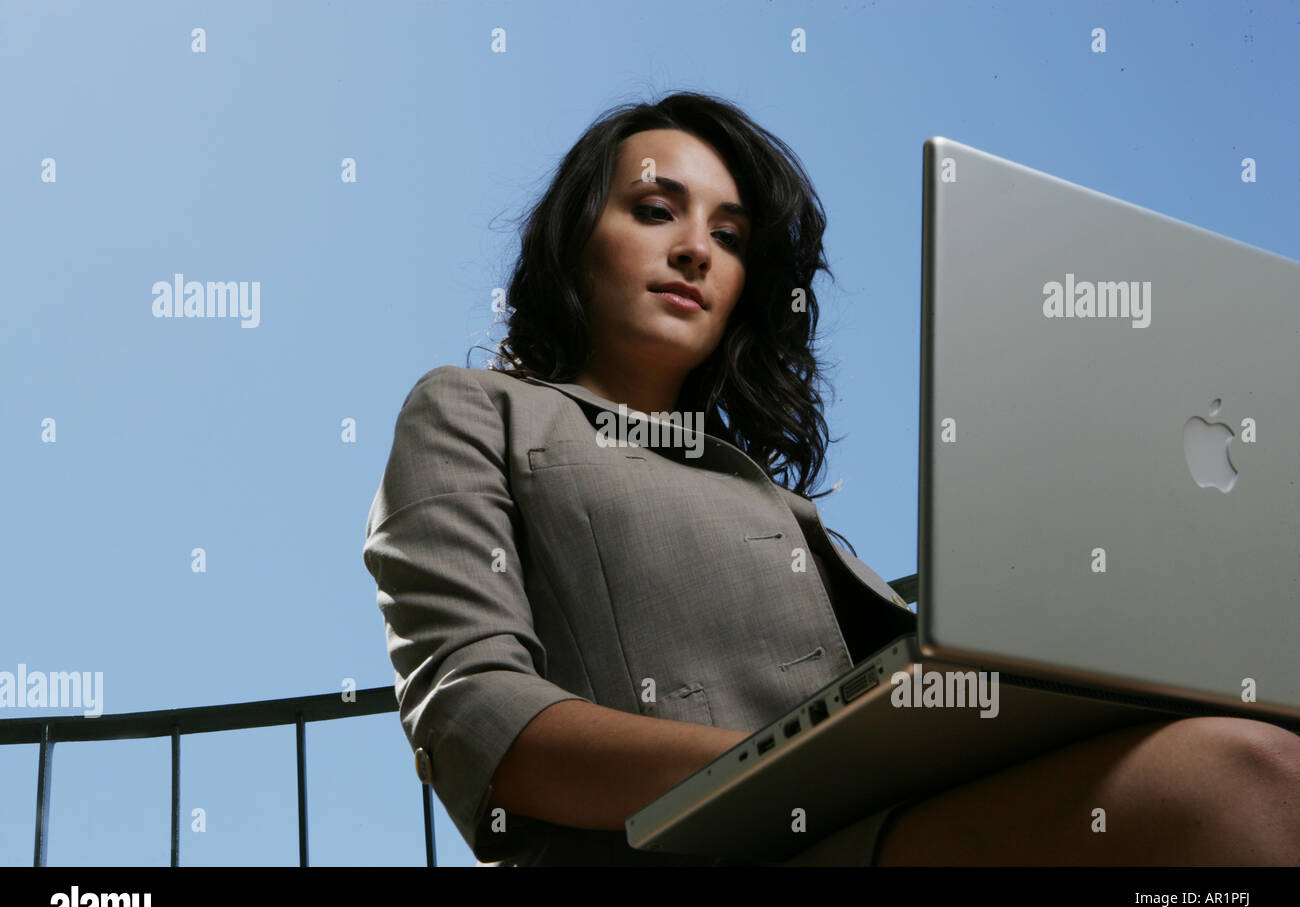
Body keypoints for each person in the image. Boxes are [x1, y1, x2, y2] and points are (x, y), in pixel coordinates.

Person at [362, 91, 1300, 866]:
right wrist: (804, 767)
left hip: (873, 825)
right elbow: (479, 716)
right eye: (655, 210)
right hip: (706, 850)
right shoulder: (473, 408)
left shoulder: (772, 500)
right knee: (1238, 779)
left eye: (730, 238)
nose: (697, 250)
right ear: (576, 241)